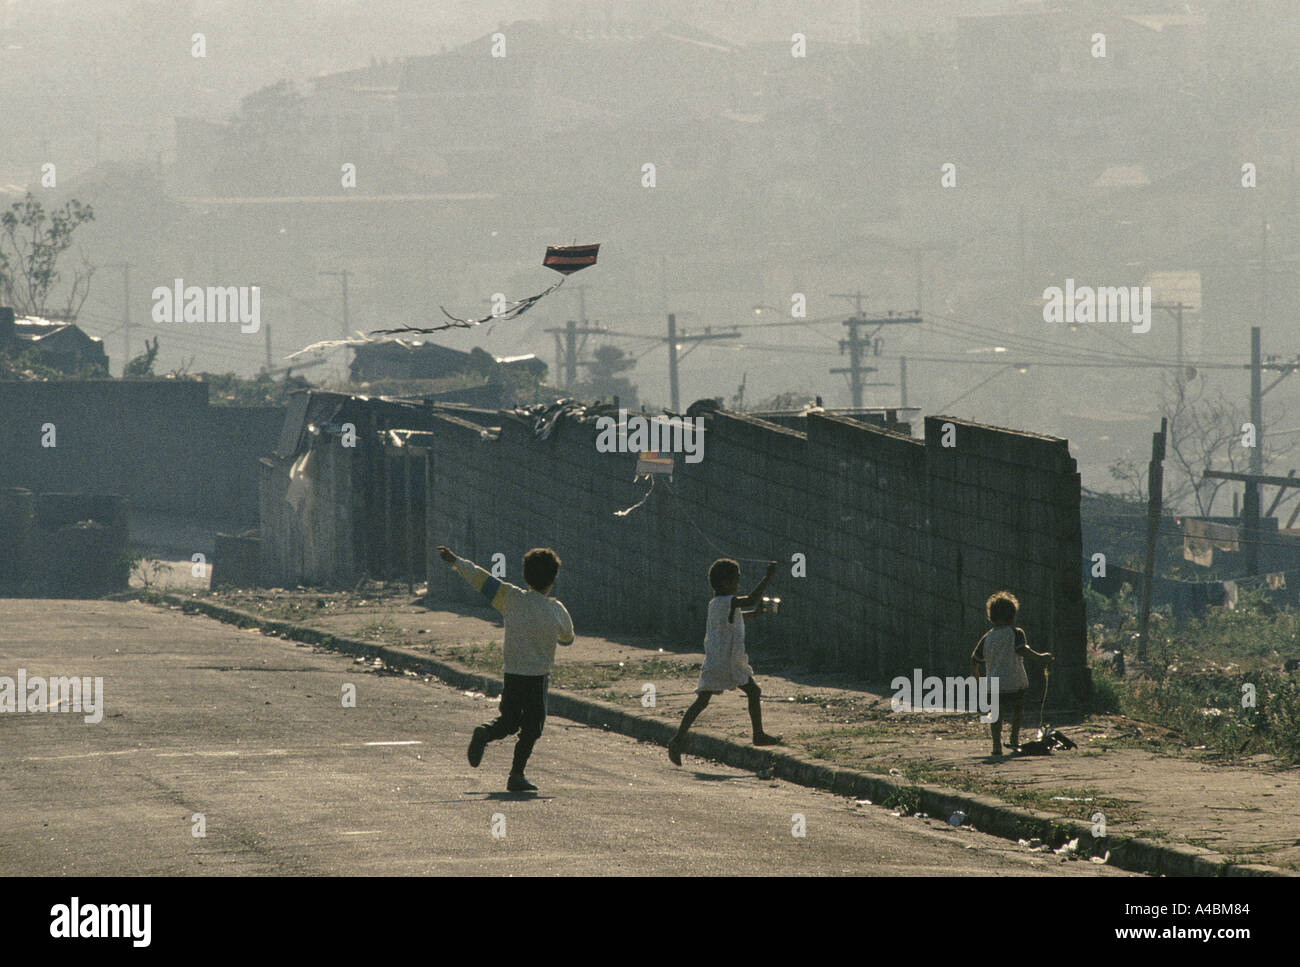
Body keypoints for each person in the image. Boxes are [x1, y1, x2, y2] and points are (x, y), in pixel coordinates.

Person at [437, 545, 574, 792]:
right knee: (532, 727)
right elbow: (568, 638)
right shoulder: (556, 609)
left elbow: (482, 579)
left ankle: (485, 733)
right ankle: (516, 774)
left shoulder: (510, 598)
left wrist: (456, 561)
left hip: (512, 674)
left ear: (526, 576)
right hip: (537, 678)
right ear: (553, 579)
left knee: (509, 721)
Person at [668, 558, 782, 765]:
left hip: (721, 658)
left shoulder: (719, 604)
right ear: (724, 583)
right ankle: (757, 735)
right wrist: (767, 577)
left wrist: (754, 615)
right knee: (748, 692)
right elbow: (749, 600)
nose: (738, 585)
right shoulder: (725, 601)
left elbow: (735, 616)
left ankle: (678, 740)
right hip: (725, 660)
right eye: (735, 581)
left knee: (705, 700)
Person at [969, 590, 1053, 756]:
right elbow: (1023, 650)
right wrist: (1041, 657)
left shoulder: (987, 638)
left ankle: (996, 745)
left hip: (993, 685)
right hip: (1014, 682)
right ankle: (1014, 739)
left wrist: (978, 681)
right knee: (1017, 710)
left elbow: (974, 660)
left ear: (991, 617)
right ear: (1012, 616)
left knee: (996, 715)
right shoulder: (1016, 633)